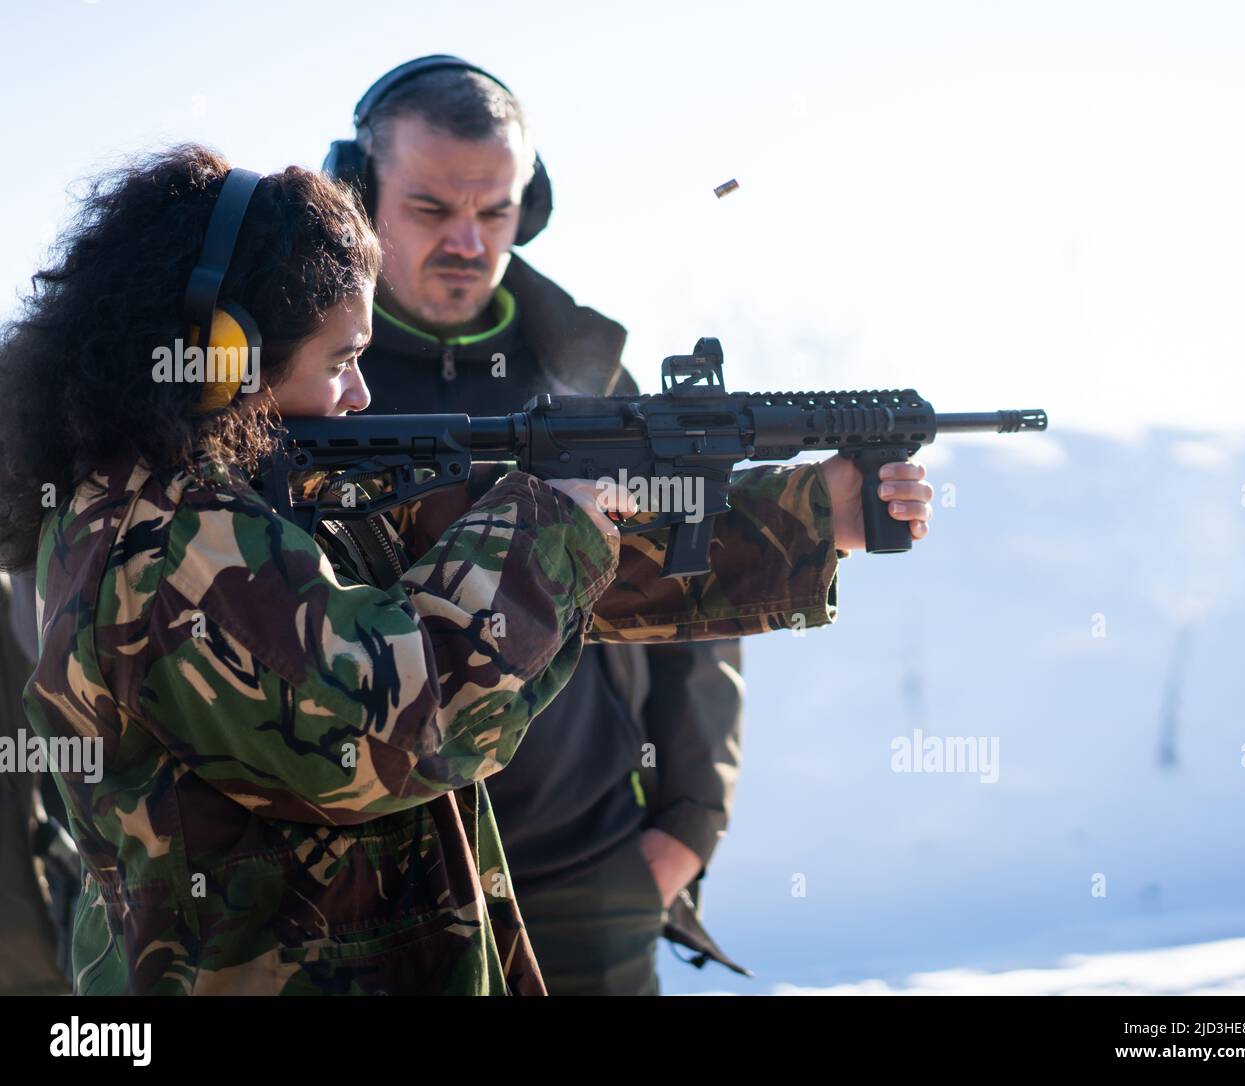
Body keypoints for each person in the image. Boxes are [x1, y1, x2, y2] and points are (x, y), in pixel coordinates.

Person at [0, 145, 933, 995]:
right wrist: (550, 529)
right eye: (343, 360)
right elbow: (385, 730)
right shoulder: (166, 540)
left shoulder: (241, 496)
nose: (361, 395)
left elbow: (477, 551)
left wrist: (815, 515)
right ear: (221, 358)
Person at [325, 55, 744, 993]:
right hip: (374, 896)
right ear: (359, 196)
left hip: (588, 880)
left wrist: (687, 823)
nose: (469, 240)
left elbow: (694, 586)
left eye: (497, 210)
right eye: (432, 209)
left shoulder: (589, 371)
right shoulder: (308, 380)